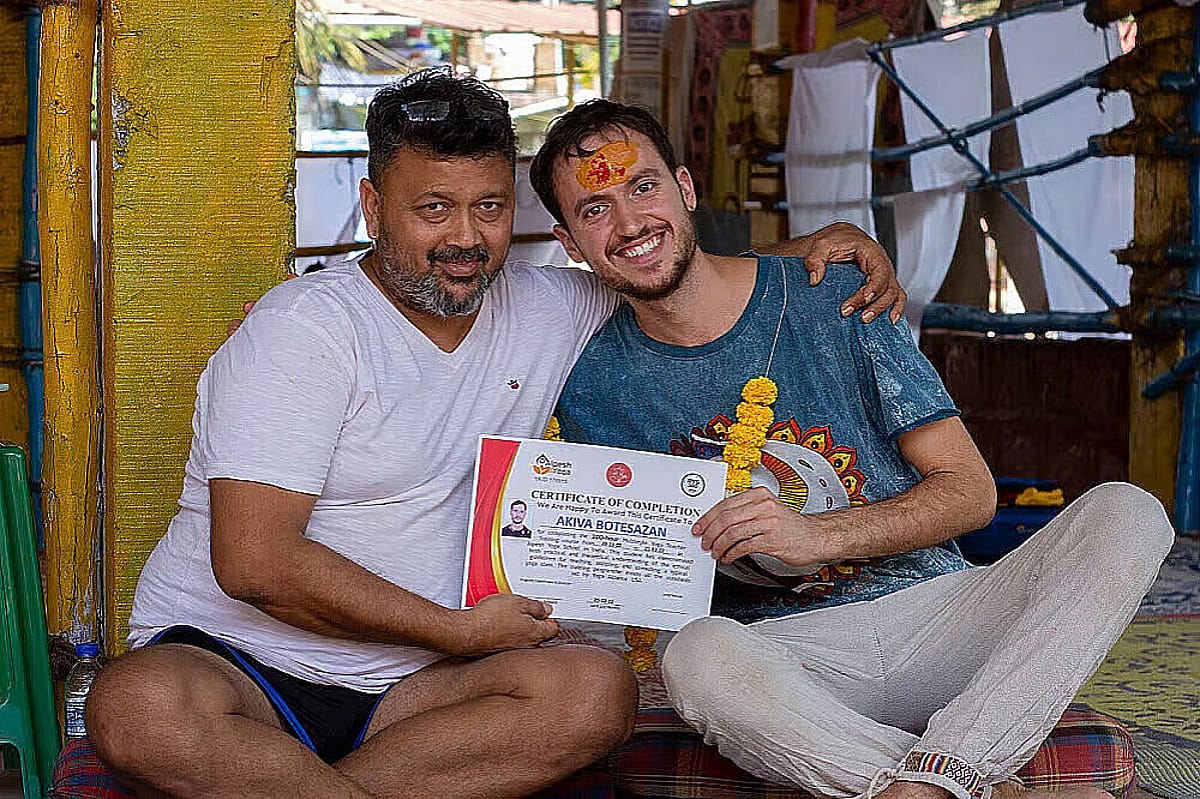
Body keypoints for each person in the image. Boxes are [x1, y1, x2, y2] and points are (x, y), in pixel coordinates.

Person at [85, 70, 905, 799]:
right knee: (137, 707)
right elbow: (254, 563)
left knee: (593, 693)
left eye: (489, 207)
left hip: (419, 690)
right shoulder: (303, 330)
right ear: (373, 207)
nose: (465, 238)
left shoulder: (548, 305)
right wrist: (459, 629)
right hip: (243, 665)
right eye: (432, 209)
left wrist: (813, 254)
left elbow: (670, 273)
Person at [529, 99, 1175, 799]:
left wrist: (817, 535)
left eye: (644, 187)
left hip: (939, 616)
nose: (630, 223)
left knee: (1128, 511)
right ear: (569, 242)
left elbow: (970, 492)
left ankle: (937, 779)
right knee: (696, 656)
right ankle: (977, 787)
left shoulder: (834, 294)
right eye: (596, 209)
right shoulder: (583, 375)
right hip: (784, 658)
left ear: (685, 187)